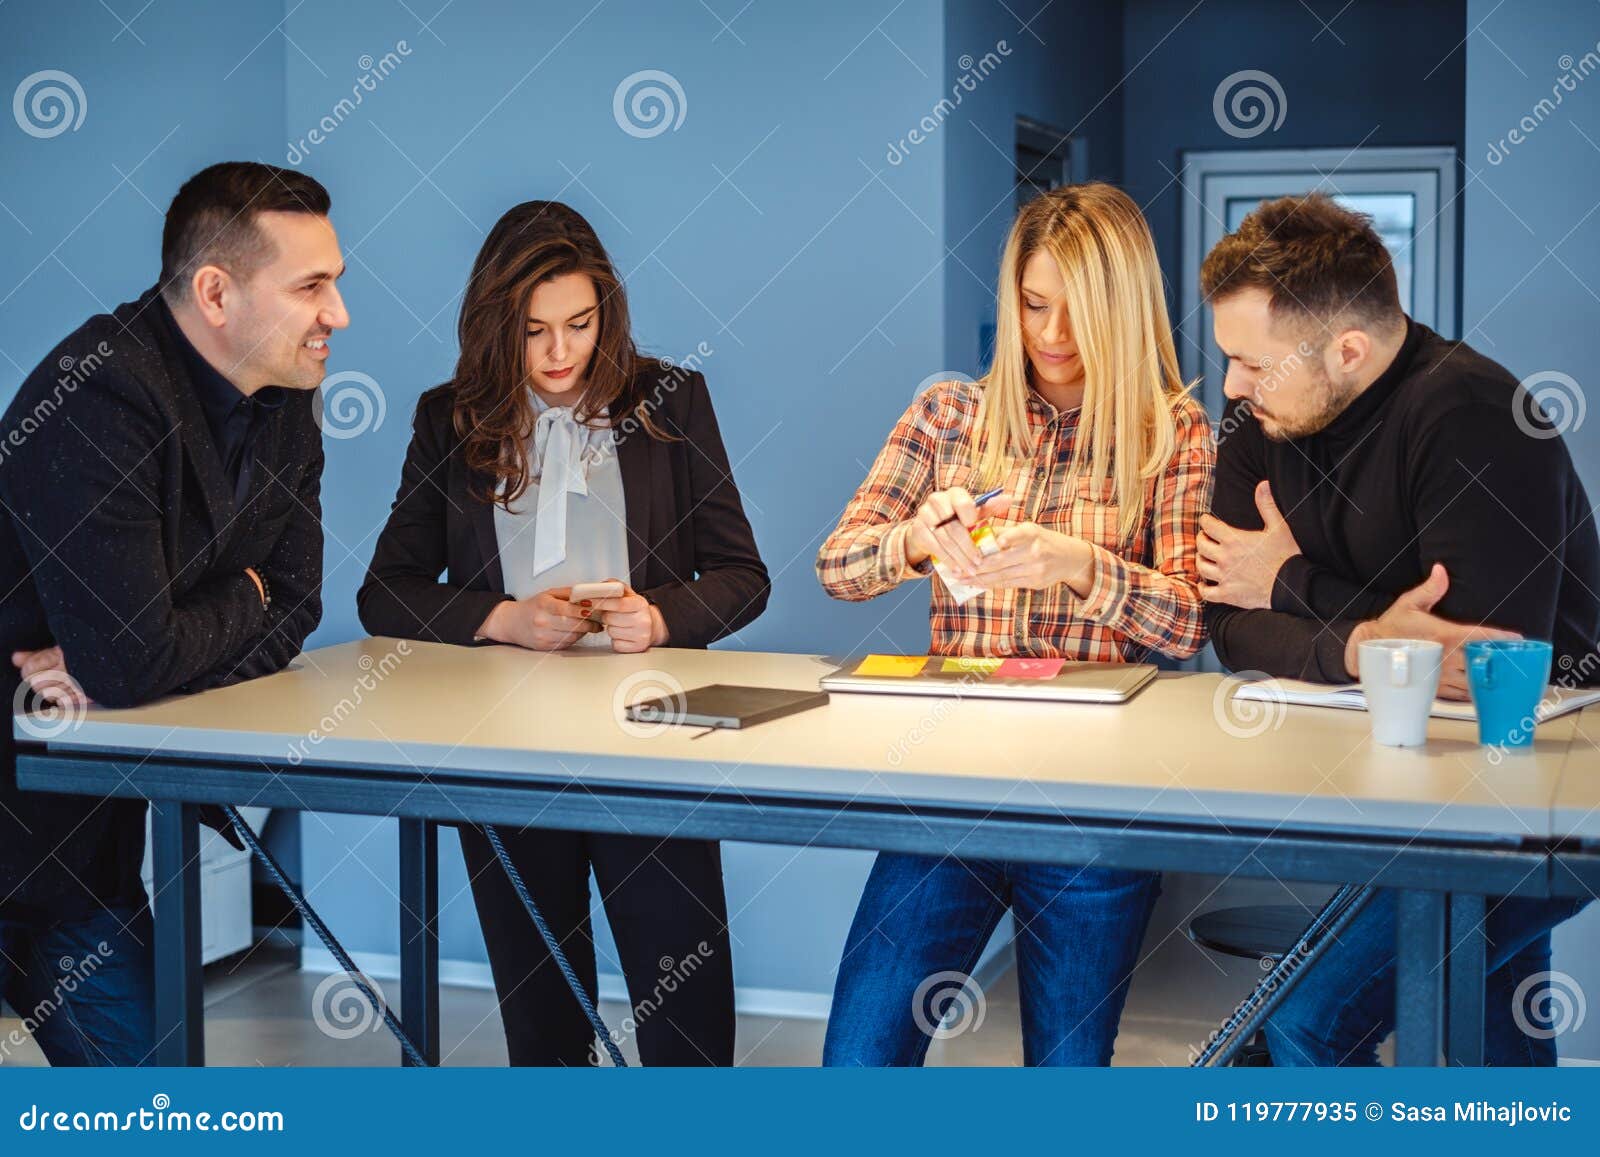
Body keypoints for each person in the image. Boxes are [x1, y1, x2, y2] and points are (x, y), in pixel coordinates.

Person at [358, 200, 769, 1066]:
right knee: (542, 1025)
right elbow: (383, 594)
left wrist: (658, 615)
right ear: (494, 325)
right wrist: (502, 619)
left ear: (605, 313)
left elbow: (744, 575)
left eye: (579, 325)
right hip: (508, 753)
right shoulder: (448, 418)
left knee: (687, 1022)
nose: (558, 354)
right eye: (533, 330)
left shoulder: (670, 399)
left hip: (653, 743)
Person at [815, 183, 1215, 1066]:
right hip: (950, 779)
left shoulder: (1172, 431)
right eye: (1034, 304)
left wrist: (1081, 565)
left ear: (1126, 310)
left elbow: (1189, 623)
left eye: (1078, 312)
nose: (1052, 335)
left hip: (1095, 800)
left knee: (1066, 1075)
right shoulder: (948, 413)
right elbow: (838, 564)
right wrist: (917, 539)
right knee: (859, 1057)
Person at [1198, 192, 1597, 1064]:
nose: (1231, 384)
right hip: (1403, 783)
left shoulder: (1477, 415)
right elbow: (1226, 623)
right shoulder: (1260, 421)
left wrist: (1290, 579)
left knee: (1309, 1020)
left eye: (1252, 363)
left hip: (1539, 796)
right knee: (1497, 1019)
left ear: (1348, 350)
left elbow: (1477, 664)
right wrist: (1365, 641)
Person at [0, 161, 344, 1065]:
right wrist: (232, 603)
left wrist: (155, 643)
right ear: (216, 292)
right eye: (312, 285)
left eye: (334, 283)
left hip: (79, 841)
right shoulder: (99, 393)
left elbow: (298, 599)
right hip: (23, 815)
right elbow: (129, 660)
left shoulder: (285, 399)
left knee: (152, 1095)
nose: (336, 314)